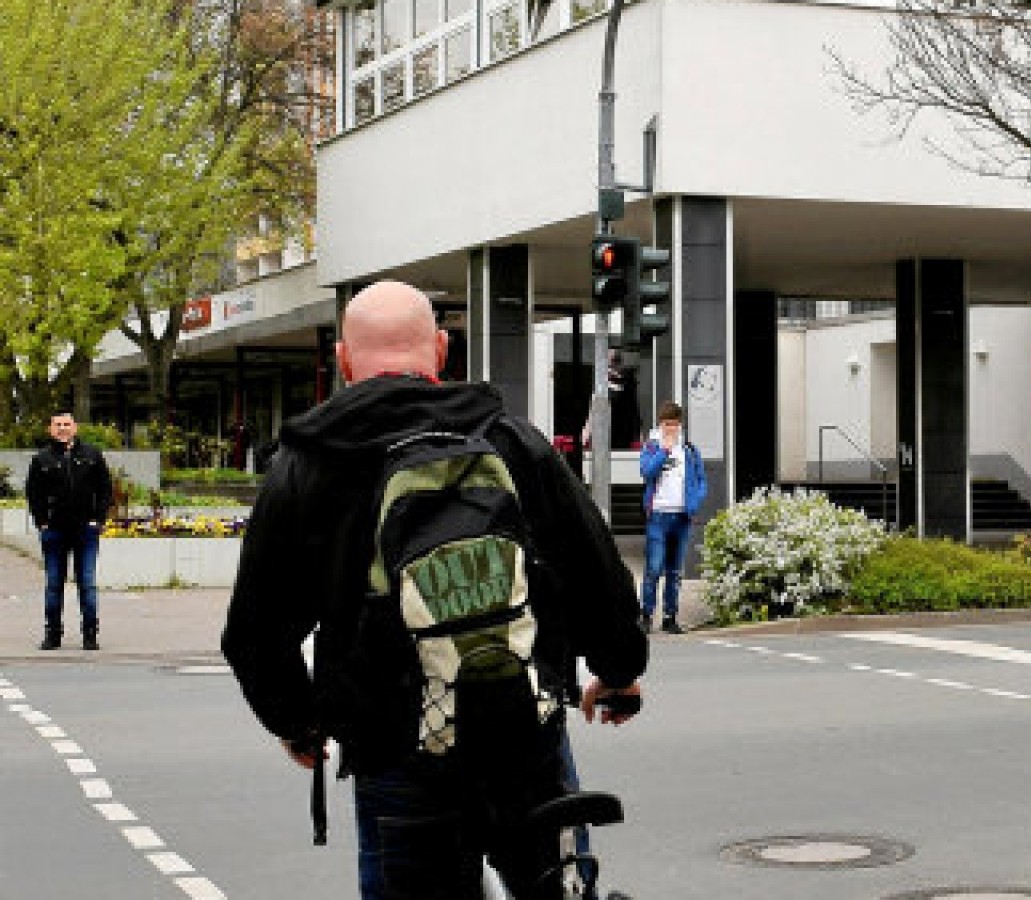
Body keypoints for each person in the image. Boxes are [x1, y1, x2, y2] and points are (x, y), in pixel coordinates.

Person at [222, 281, 647, 900]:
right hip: (524, 734)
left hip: (397, 749)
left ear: (343, 359)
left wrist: (299, 721)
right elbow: (593, 570)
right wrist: (617, 670)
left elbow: (255, 633)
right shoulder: (509, 438)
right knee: (554, 887)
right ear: (442, 351)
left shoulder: (309, 464)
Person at [25, 411, 113, 651]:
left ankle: (90, 634)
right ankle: (52, 634)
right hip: (54, 531)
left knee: (87, 583)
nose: (62, 428)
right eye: (58, 424)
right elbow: (33, 494)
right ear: (50, 429)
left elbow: (105, 489)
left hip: (86, 530)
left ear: (75, 428)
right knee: (54, 584)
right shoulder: (41, 459)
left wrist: (98, 519)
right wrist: (42, 521)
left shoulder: (92, 455)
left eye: (67, 424)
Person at [637, 401, 707, 635]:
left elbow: (700, 480)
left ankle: (670, 616)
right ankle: (646, 614)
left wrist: (694, 501)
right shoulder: (652, 447)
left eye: (675, 425)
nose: (671, 429)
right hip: (658, 515)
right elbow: (646, 472)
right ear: (660, 424)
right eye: (667, 425)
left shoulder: (688, 449)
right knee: (654, 568)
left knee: (675, 571)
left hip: (682, 516)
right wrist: (664, 451)